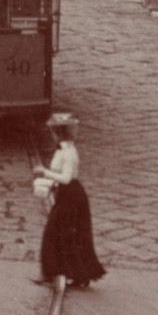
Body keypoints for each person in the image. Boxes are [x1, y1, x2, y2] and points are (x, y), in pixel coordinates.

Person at [32, 113, 106, 289]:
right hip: (67, 194)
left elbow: (66, 178)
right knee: (68, 234)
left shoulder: (68, 153)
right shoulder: (64, 150)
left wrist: (44, 172)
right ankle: (71, 274)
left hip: (71, 196)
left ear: (58, 134)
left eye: (53, 132)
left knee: (59, 233)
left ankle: (60, 273)